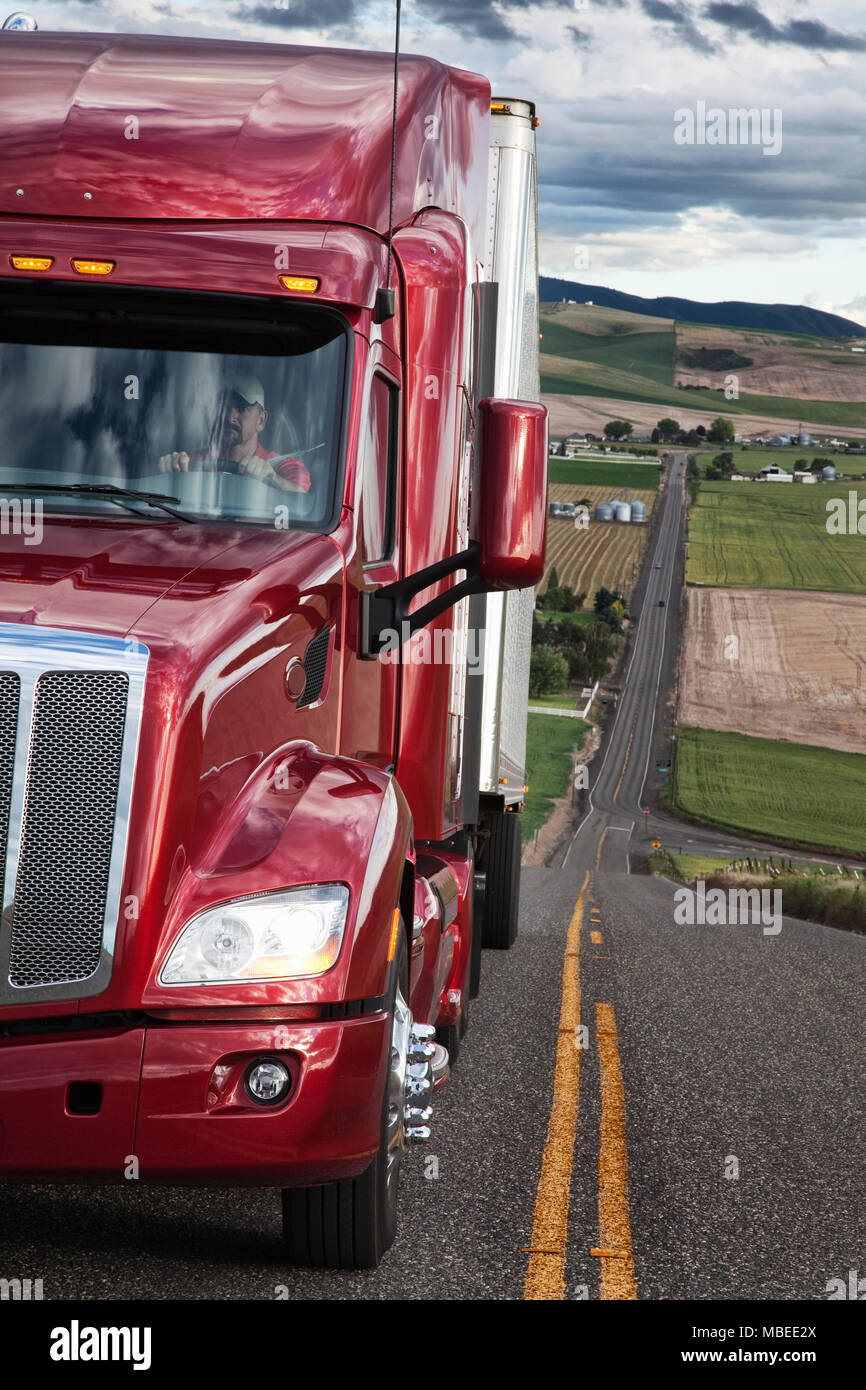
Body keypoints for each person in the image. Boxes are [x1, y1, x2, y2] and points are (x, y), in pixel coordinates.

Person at [157, 375, 311, 493]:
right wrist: (168, 468)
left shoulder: (282, 466)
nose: (230, 417)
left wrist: (272, 478)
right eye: (222, 406)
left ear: (261, 420)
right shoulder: (192, 463)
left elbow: (301, 495)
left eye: (242, 407)